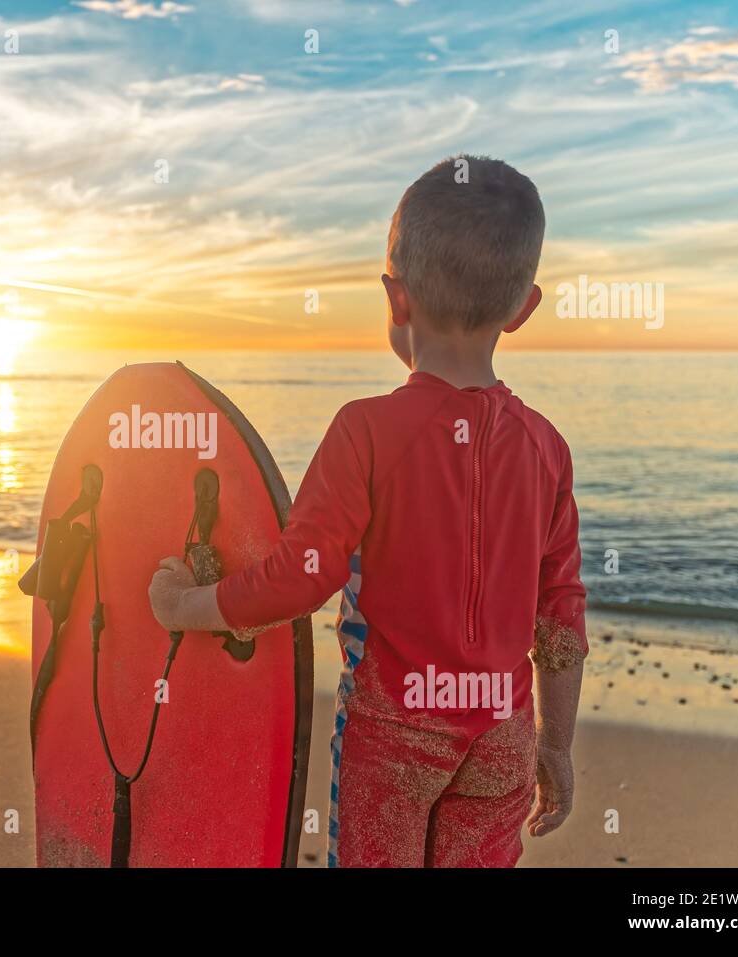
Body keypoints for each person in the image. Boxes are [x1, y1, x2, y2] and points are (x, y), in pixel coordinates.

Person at [148, 155, 587, 867]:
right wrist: (557, 747)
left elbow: (299, 581)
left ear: (395, 296)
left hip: (395, 732)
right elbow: (560, 618)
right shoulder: (547, 448)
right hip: (503, 734)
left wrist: (182, 603)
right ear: (522, 308)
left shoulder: (365, 431)